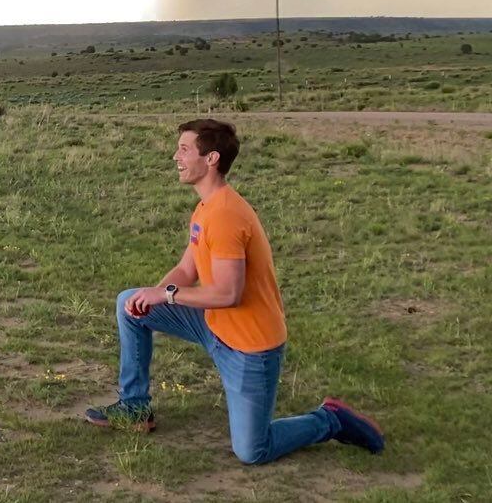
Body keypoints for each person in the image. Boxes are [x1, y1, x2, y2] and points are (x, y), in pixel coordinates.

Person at [85, 119, 385, 464]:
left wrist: (166, 295)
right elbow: (186, 270)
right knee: (129, 302)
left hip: (249, 346)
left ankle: (330, 419)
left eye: (184, 149)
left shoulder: (226, 216)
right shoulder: (206, 207)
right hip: (214, 325)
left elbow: (229, 294)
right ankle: (135, 408)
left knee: (253, 451)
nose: (175, 157)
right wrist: (151, 294)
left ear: (211, 158)